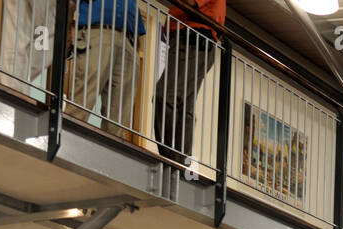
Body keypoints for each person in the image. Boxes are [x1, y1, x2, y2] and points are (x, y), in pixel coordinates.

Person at [156, 0, 224, 166]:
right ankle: (177, 159)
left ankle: (174, 159)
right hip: (188, 38)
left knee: (167, 97)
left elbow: (190, 3)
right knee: (181, 102)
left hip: (193, 38)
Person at [65, 0, 147, 133]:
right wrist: (67, 33)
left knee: (119, 118)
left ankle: (110, 152)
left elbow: (137, 25)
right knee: (82, 102)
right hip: (98, 31)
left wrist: (135, 51)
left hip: (128, 41)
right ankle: (65, 143)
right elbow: (69, 3)